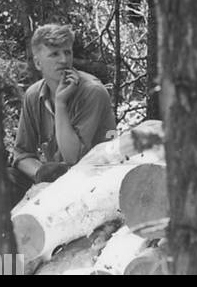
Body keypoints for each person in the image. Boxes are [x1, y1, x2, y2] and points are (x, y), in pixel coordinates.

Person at [8, 22, 116, 207]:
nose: (64, 60)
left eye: (67, 52)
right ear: (37, 62)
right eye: (54, 54)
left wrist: (60, 103)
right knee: (2, 178)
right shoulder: (34, 95)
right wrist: (40, 173)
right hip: (55, 180)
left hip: (93, 181)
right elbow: (21, 153)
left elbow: (72, 157)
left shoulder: (92, 91)